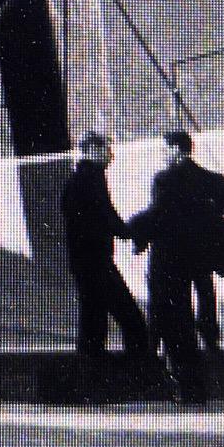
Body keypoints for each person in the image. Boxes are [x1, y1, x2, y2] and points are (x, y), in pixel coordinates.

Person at [130, 129, 224, 404]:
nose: (162, 155)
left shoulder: (165, 179)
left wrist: (133, 229)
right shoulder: (213, 180)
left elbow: (157, 214)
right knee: (204, 310)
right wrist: (220, 237)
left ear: (175, 149)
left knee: (171, 319)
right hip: (202, 258)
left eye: (165, 149)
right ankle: (203, 374)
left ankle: (173, 384)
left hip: (168, 260)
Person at [59, 131, 152, 384]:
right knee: (130, 318)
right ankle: (139, 376)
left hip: (85, 261)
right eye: (105, 149)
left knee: (93, 319)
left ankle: (90, 377)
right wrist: (131, 231)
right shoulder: (91, 178)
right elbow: (106, 215)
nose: (110, 154)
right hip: (96, 261)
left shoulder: (80, 179)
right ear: (91, 150)